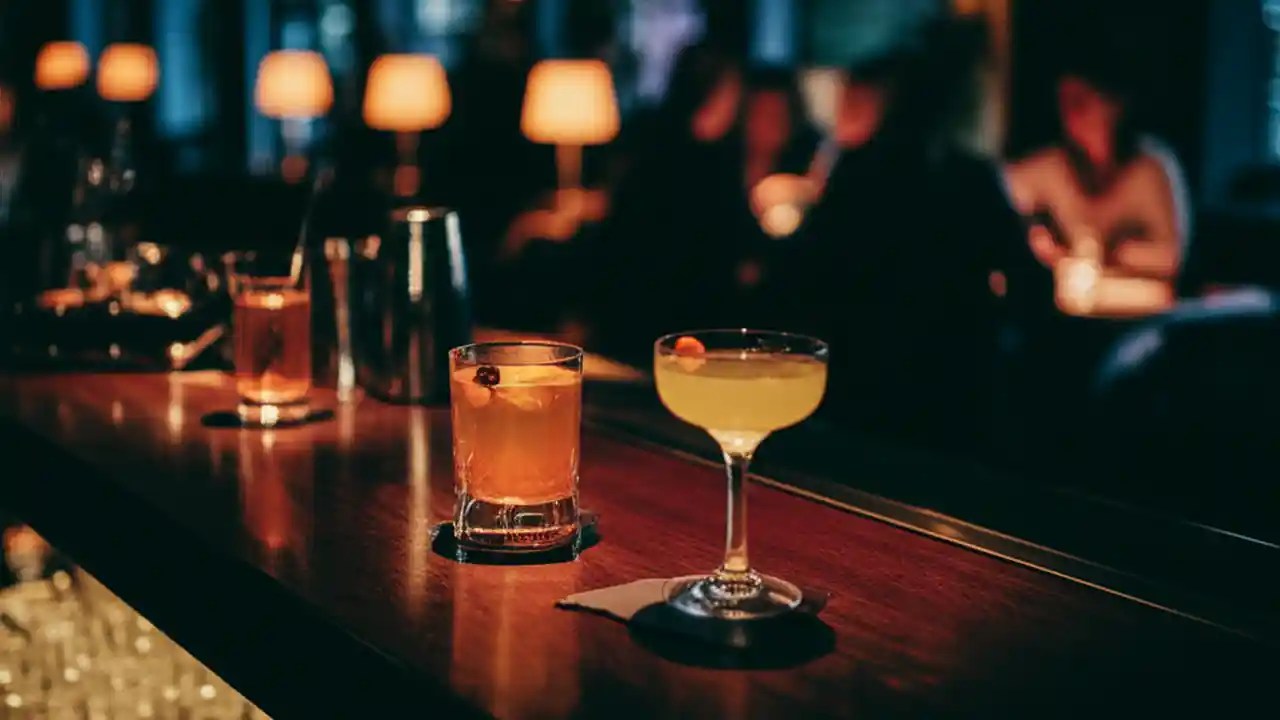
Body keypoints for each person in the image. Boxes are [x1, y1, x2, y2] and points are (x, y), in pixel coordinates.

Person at [762, 30, 1051, 458]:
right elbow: (1032, 287)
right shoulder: (972, 178)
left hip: (855, 384)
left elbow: (807, 273)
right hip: (954, 384)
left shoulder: (853, 171)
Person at [1004, 58, 1189, 280]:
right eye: (1064, 103)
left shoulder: (1151, 171)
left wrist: (1113, 253)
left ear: (1115, 104)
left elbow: (1172, 257)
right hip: (1073, 306)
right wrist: (1029, 235)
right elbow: (999, 189)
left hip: (1138, 304)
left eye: (1080, 102)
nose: (1071, 116)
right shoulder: (1052, 167)